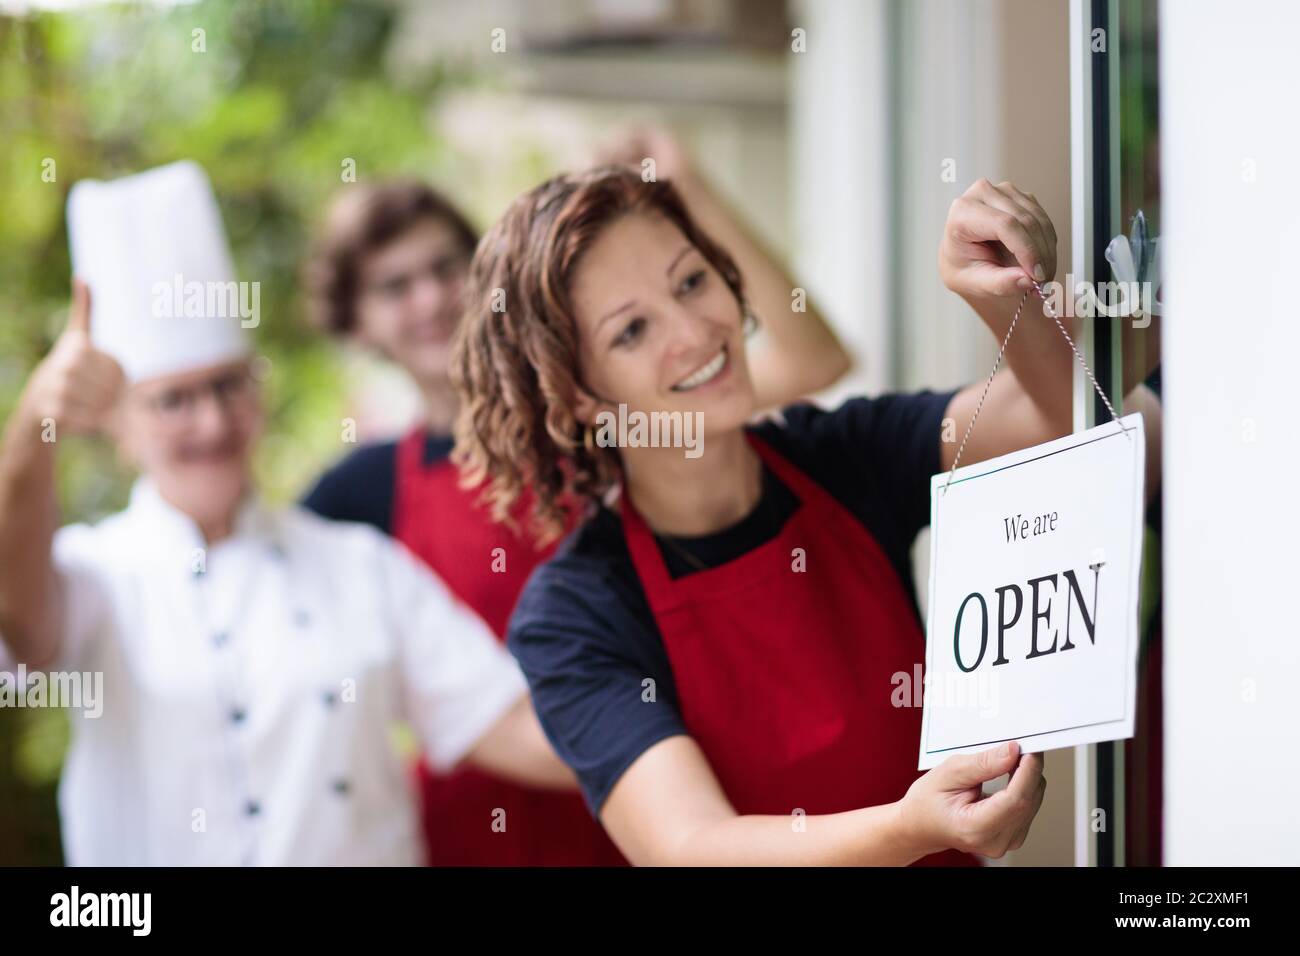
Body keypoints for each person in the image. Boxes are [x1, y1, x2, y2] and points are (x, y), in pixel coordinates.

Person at [451, 167, 1163, 865]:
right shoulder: (575, 612)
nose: (694, 333)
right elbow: (691, 847)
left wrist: (1010, 301)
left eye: (691, 282)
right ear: (577, 398)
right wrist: (913, 828)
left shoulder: (843, 454)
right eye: (631, 330)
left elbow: (1070, 413)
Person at [300, 130, 852, 865]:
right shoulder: (358, 493)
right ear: (355, 321)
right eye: (393, 287)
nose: (430, 298)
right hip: (486, 836)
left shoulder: (607, 416)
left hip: (682, 802)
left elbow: (817, 360)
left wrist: (689, 191)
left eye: (443, 267)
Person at [0, 161, 572, 866]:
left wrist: (688, 752)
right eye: (174, 400)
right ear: (117, 426)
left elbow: (511, 724)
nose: (211, 422)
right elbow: (16, 613)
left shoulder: (361, 564)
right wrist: (32, 430)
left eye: (228, 387)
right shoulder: (97, 576)